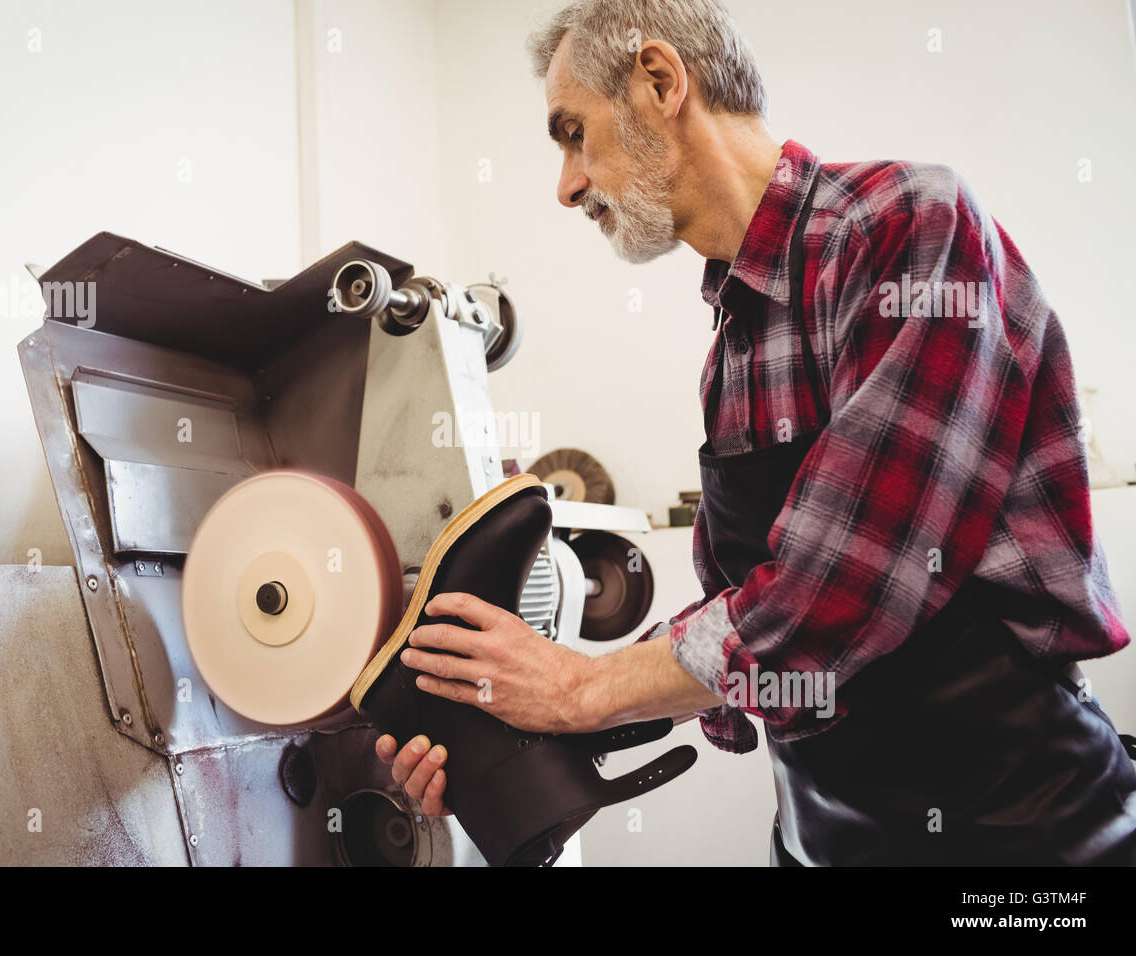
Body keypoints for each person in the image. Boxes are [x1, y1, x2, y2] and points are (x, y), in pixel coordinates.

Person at [375, 0, 1136, 864]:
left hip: (1021, 834)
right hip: (822, 839)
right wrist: (518, 739)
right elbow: (749, 635)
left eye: (574, 134)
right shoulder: (731, 349)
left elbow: (840, 589)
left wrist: (580, 689)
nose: (567, 185)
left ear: (660, 82)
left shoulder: (905, 227)